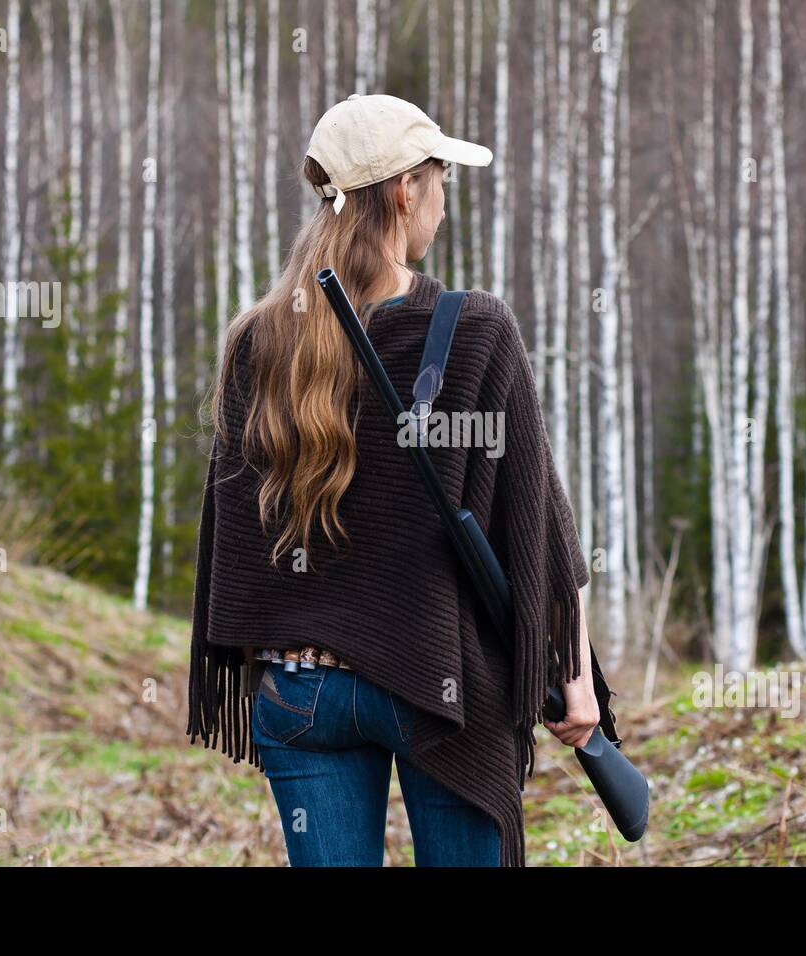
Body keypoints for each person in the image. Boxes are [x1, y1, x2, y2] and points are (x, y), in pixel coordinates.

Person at [187, 93, 618, 867]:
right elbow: (540, 531)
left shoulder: (259, 339)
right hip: (436, 686)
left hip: (301, 691)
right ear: (404, 190)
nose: (445, 196)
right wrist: (574, 678)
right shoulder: (478, 329)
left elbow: (235, 536)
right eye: (441, 174)